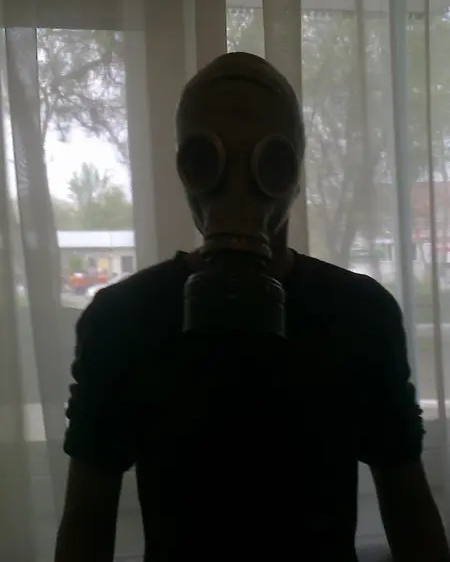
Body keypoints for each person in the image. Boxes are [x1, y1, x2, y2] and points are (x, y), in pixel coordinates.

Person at [55, 52, 450, 562]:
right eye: (206, 160)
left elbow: (410, 513)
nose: (235, 189)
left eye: (270, 163)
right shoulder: (120, 322)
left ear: (295, 176)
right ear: (183, 171)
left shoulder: (361, 316)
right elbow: (85, 525)